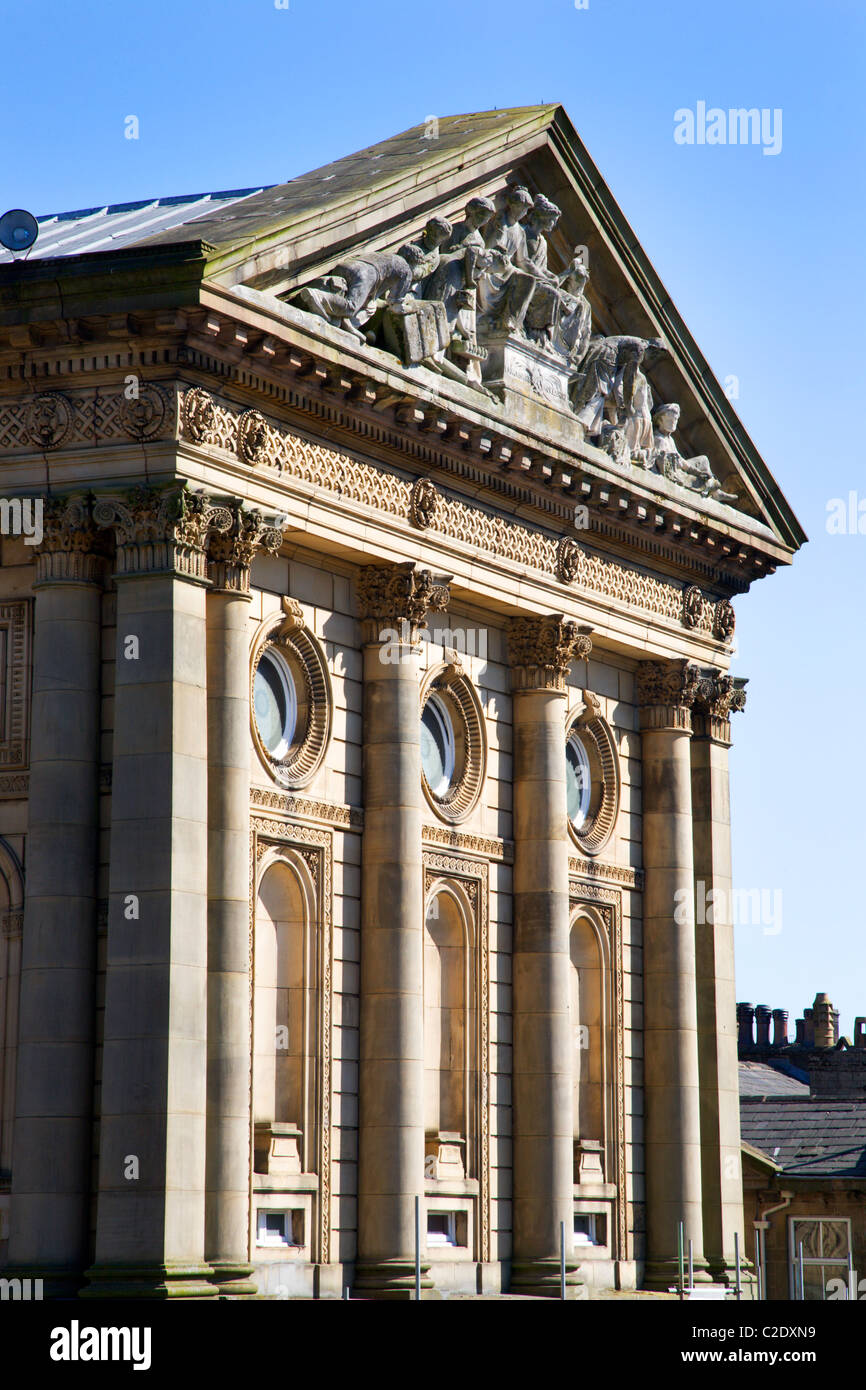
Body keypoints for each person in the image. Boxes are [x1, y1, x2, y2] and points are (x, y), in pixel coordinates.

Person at [650, 403, 738, 502]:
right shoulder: (659, 439)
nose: (673, 423)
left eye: (675, 420)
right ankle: (714, 491)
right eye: (670, 420)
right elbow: (667, 465)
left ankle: (715, 492)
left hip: (680, 468)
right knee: (701, 472)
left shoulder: (670, 440)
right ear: (660, 420)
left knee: (703, 460)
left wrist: (698, 472)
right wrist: (696, 472)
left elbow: (682, 462)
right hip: (675, 472)